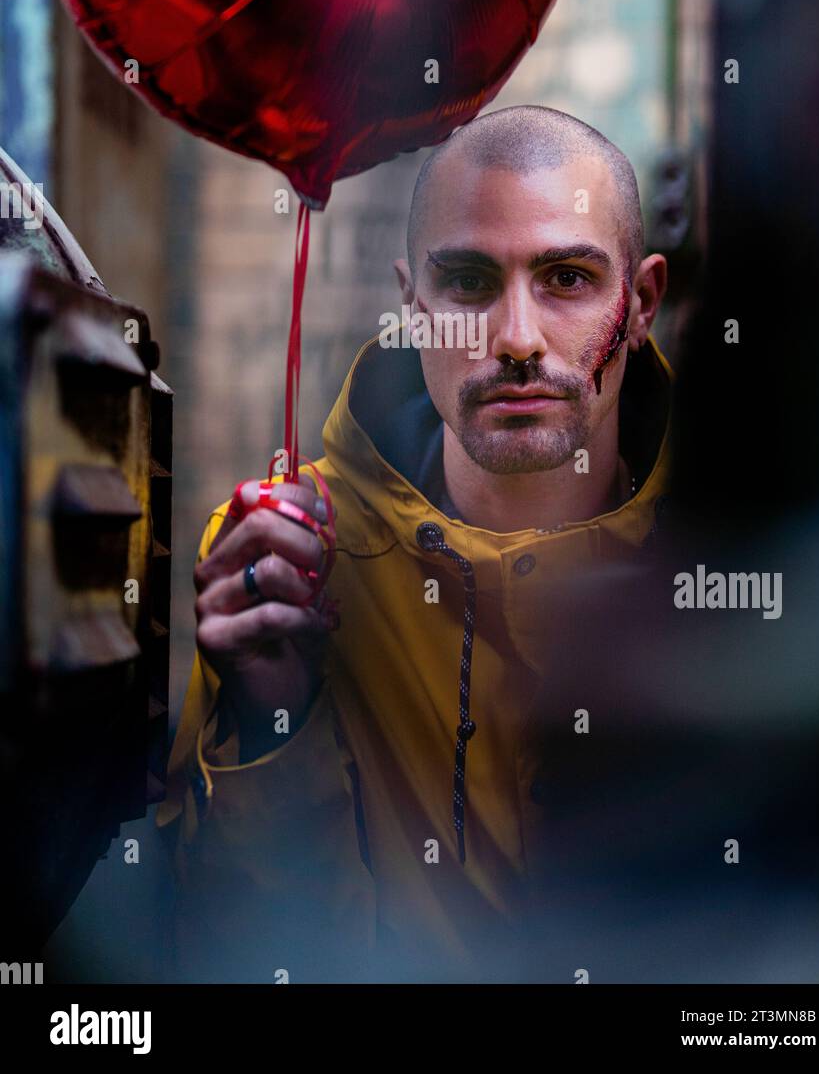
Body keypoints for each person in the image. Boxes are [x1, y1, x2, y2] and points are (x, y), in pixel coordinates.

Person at [158, 106, 671, 982]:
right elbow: (238, 953)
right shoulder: (291, 555)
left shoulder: (733, 553)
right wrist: (272, 728)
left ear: (642, 304)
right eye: (468, 283)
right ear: (413, 306)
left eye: (566, 278)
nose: (515, 339)